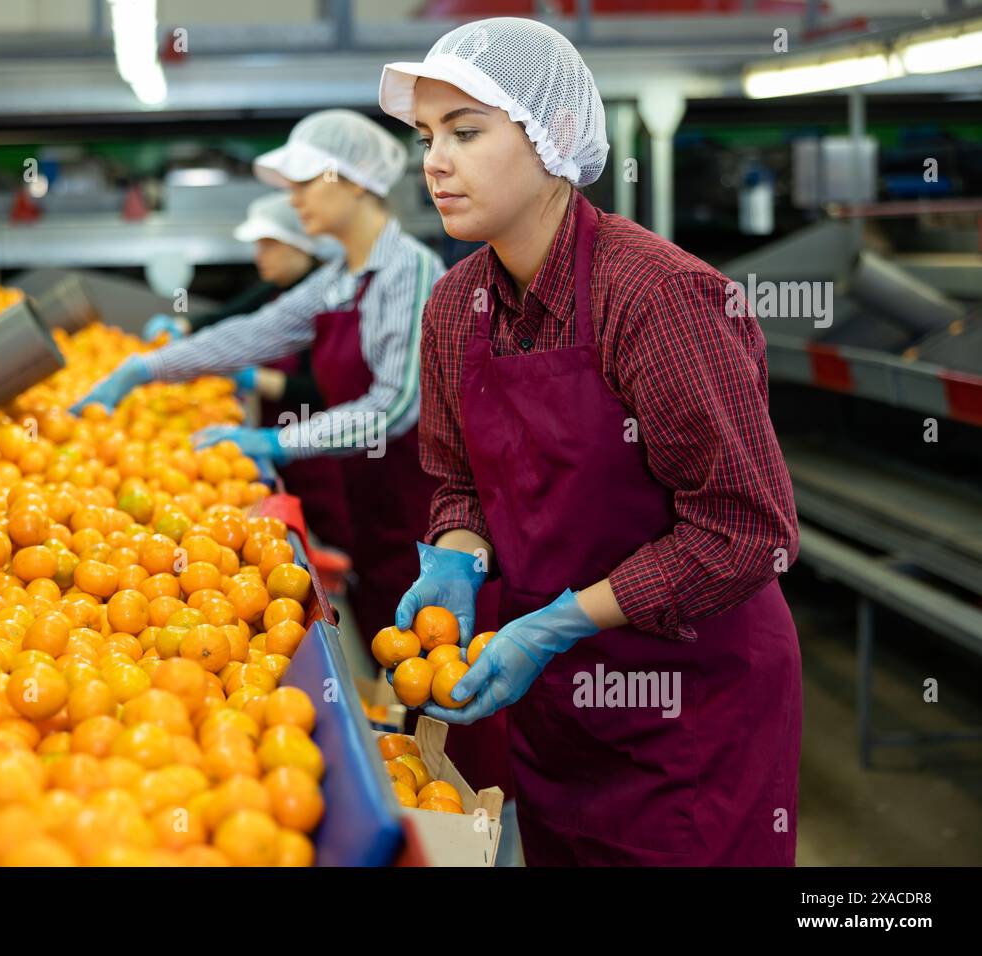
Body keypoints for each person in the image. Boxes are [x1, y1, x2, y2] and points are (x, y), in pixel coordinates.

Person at [381, 18, 802, 865]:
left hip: (694, 713)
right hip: (561, 707)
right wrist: (456, 557)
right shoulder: (455, 308)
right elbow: (460, 481)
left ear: (554, 138)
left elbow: (746, 530)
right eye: (427, 137)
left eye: (466, 132)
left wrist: (557, 622)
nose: (435, 161)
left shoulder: (660, 300)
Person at [74, 109, 446, 643]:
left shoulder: (408, 271)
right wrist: (146, 368)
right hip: (366, 495)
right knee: (386, 633)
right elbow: (255, 332)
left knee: (427, 646)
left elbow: (394, 407)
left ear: (354, 181)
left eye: (304, 182)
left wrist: (277, 439)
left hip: (419, 502)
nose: (293, 198)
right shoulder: (340, 280)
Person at [142, 193, 353, 553]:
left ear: (299, 245)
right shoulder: (275, 289)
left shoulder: (328, 300)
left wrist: (248, 378)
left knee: (336, 530)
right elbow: (230, 317)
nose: (258, 255)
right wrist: (183, 325)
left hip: (323, 447)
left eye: (268, 245)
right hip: (283, 437)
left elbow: (323, 392)